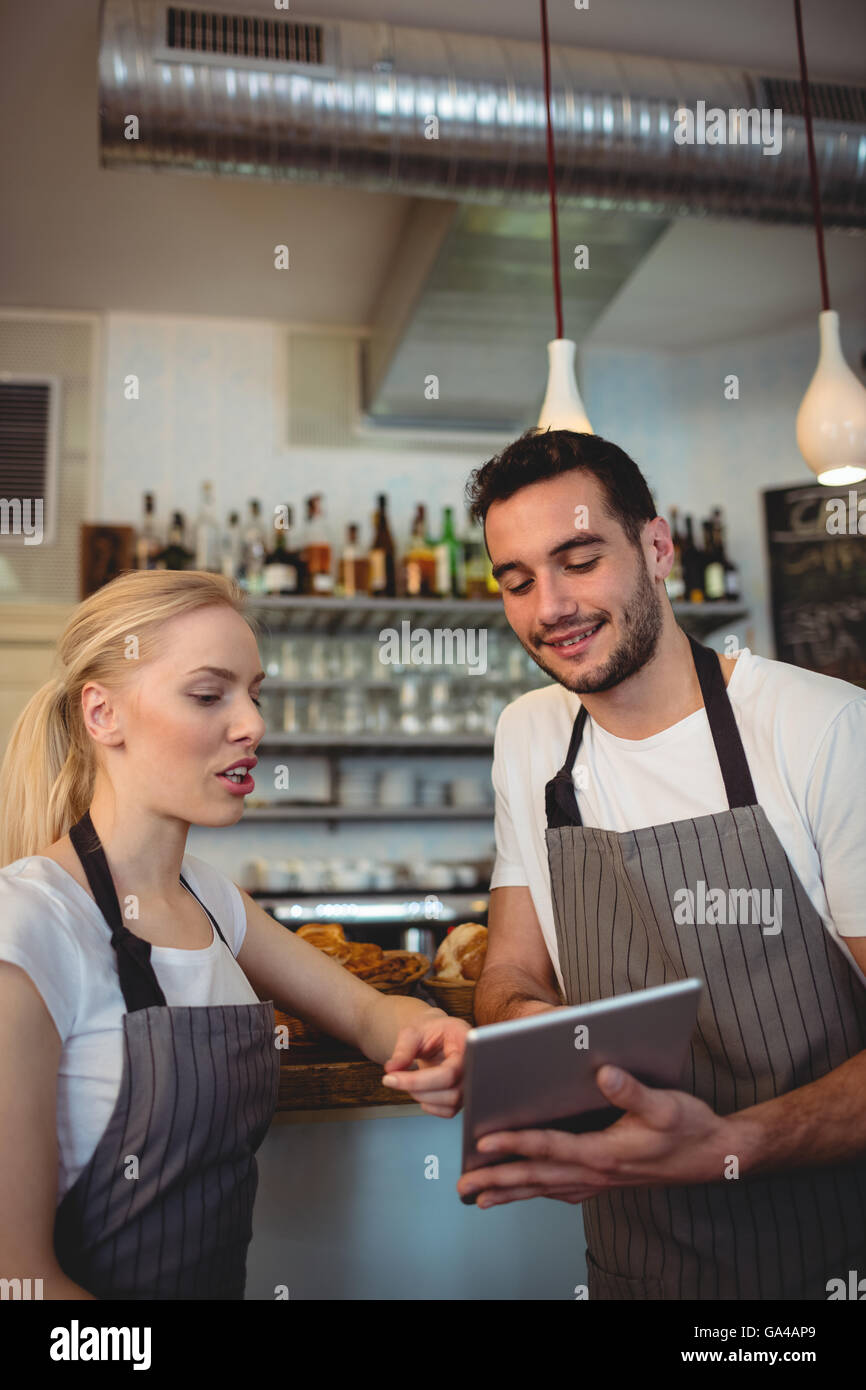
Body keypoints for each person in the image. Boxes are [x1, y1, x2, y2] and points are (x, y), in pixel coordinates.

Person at [456, 428, 866, 1301]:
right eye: (518, 580)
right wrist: (554, 1089)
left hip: (826, 1261)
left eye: (578, 559)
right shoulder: (530, 737)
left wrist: (727, 1144)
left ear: (657, 547)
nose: (550, 606)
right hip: (635, 1265)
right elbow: (512, 974)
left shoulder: (823, 729)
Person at [0, 569, 468, 1300]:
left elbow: (368, 1011)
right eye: (209, 694)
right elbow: (17, 1283)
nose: (252, 724)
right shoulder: (30, 922)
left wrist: (425, 1032)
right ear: (103, 715)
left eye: (255, 693)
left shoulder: (213, 900)